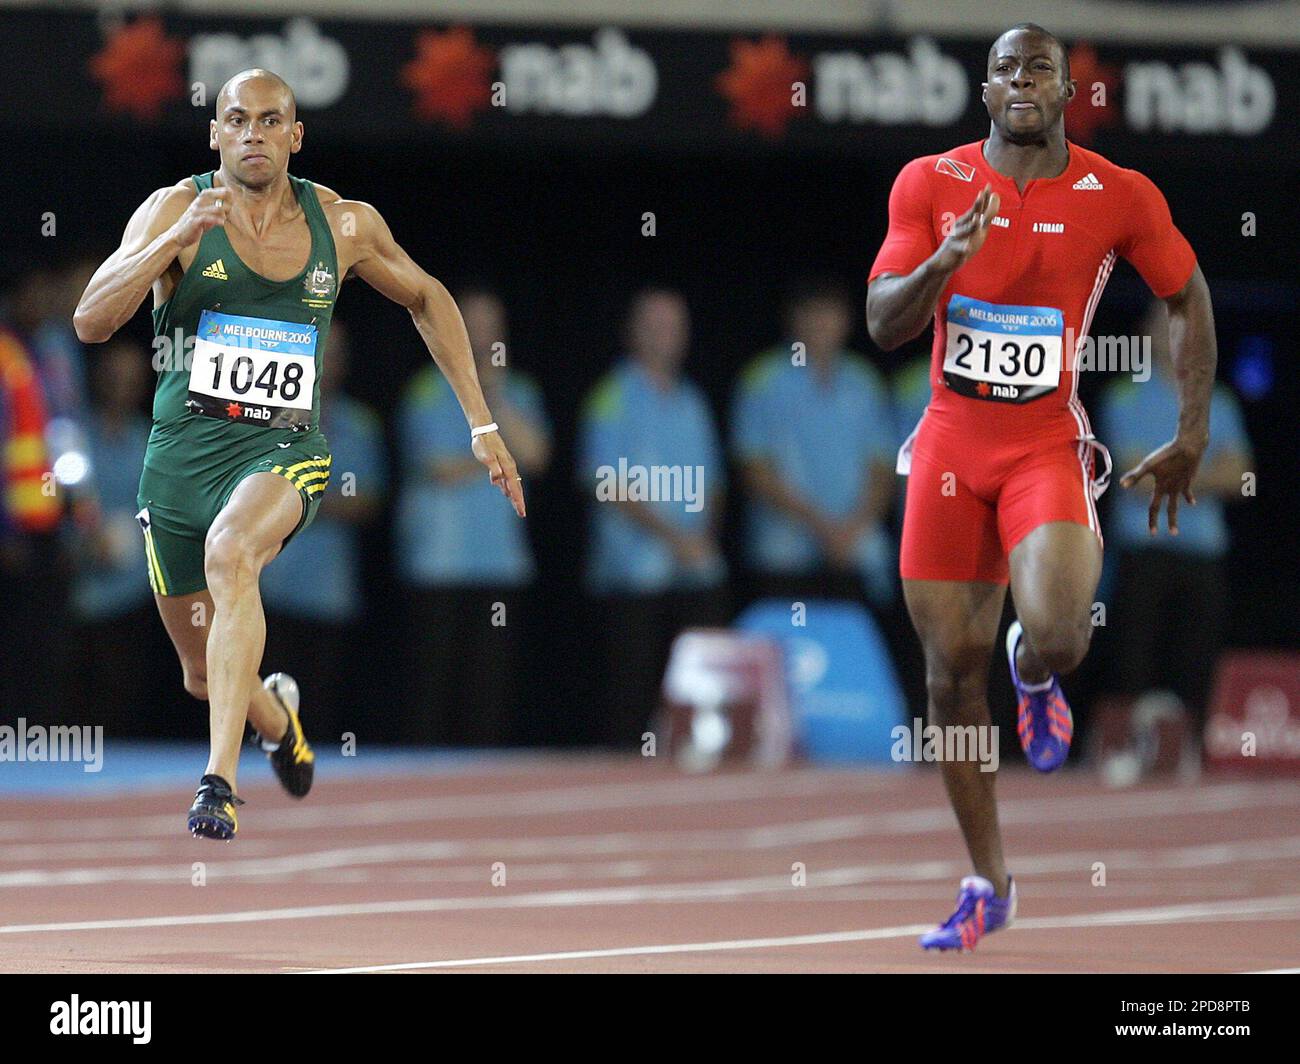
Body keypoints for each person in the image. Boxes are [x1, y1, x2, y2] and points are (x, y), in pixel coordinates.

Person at [73, 68, 524, 839]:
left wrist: (481, 424)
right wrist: (173, 245)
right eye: (238, 120)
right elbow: (90, 319)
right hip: (181, 456)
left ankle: (217, 782)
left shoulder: (342, 225)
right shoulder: (176, 208)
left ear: (295, 135)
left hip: (283, 447)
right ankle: (279, 719)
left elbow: (428, 297)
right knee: (198, 672)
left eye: (271, 120)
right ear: (215, 134)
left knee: (232, 553)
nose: (254, 134)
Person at [865, 24, 1216, 949]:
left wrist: (1190, 434)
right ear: (985, 91)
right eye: (1006, 69)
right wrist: (942, 264)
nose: (1023, 81)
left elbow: (1188, 295)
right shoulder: (928, 183)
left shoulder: (1119, 195)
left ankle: (1034, 669)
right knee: (947, 680)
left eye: (1040, 70)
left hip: (1041, 447)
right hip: (948, 448)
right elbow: (882, 321)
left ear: (1068, 93)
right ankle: (990, 881)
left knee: (1059, 636)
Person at [396, 288, 550, 745]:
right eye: (474, 324)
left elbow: (539, 455)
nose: (483, 336)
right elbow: (437, 467)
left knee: (488, 696)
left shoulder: (519, 390)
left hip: (499, 565)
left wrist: (492, 398)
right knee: (428, 692)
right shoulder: (424, 389)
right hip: (436, 570)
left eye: (491, 325)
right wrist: (502, 457)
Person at [1097, 300, 1252, 752]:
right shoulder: (1122, 396)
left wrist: (1174, 468)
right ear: (1145, 335)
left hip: (1202, 550)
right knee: (1132, 660)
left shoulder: (1216, 399)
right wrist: (1204, 469)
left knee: (1197, 660)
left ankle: (1190, 753)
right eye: (1162, 327)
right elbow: (1132, 475)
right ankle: (1124, 749)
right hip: (1142, 548)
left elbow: (1242, 477)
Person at [577, 288, 728, 746]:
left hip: (693, 572)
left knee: (699, 680)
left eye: (674, 326)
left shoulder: (693, 400)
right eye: (655, 325)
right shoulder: (610, 397)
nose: (667, 335)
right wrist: (673, 538)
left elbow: (714, 482)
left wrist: (700, 538)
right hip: (631, 576)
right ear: (633, 333)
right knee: (632, 687)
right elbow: (603, 482)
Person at [731, 280, 896, 609]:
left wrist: (851, 529)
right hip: (784, 554)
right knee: (790, 650)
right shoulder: (762, 380)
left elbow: (883, 468)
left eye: (830, 314)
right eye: (812, 314)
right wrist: (821, 527)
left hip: (854, 550)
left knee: (854, 646)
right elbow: (753, 470)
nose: (821, 323)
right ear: (793, 320)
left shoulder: (864, 382)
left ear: (847, 320)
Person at [259, 320, 387, 744]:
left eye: (336, 356)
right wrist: (319, 498)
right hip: (269, 589)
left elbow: (368, 501)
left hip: (328, 592)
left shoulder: (361, 424)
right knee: (262, 701)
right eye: (321, 354)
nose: (327, 364)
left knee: (320, 705)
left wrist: (297, 498)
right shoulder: (269, 416)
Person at [68, 340, 155, 734]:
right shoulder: (74, 437)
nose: (121, 388)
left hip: (135, 598)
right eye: (113, 378)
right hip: (77, 591)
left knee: (123, 700)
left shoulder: (151, 441)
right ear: (98, 380)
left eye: (131, 380)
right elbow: (59, 499)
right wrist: (86, 538)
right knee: (76, 700)